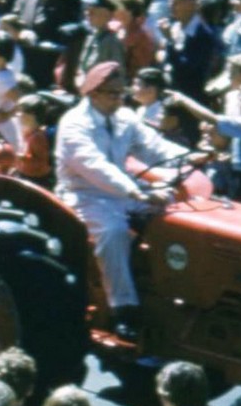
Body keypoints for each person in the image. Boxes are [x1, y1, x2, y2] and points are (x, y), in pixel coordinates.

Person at [55, 63, 184, 335]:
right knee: (113, 232)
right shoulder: (74, 124)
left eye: (121, 93)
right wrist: (136, 191)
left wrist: (191, 156)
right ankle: (123, 308)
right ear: (93, 93)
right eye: (113, 94)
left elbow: (155, 146)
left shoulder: (124, 117)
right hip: (84, 194)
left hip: (123, 191)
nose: (119, 99)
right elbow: (94, 166)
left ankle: (167, 285)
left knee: (174, 209)